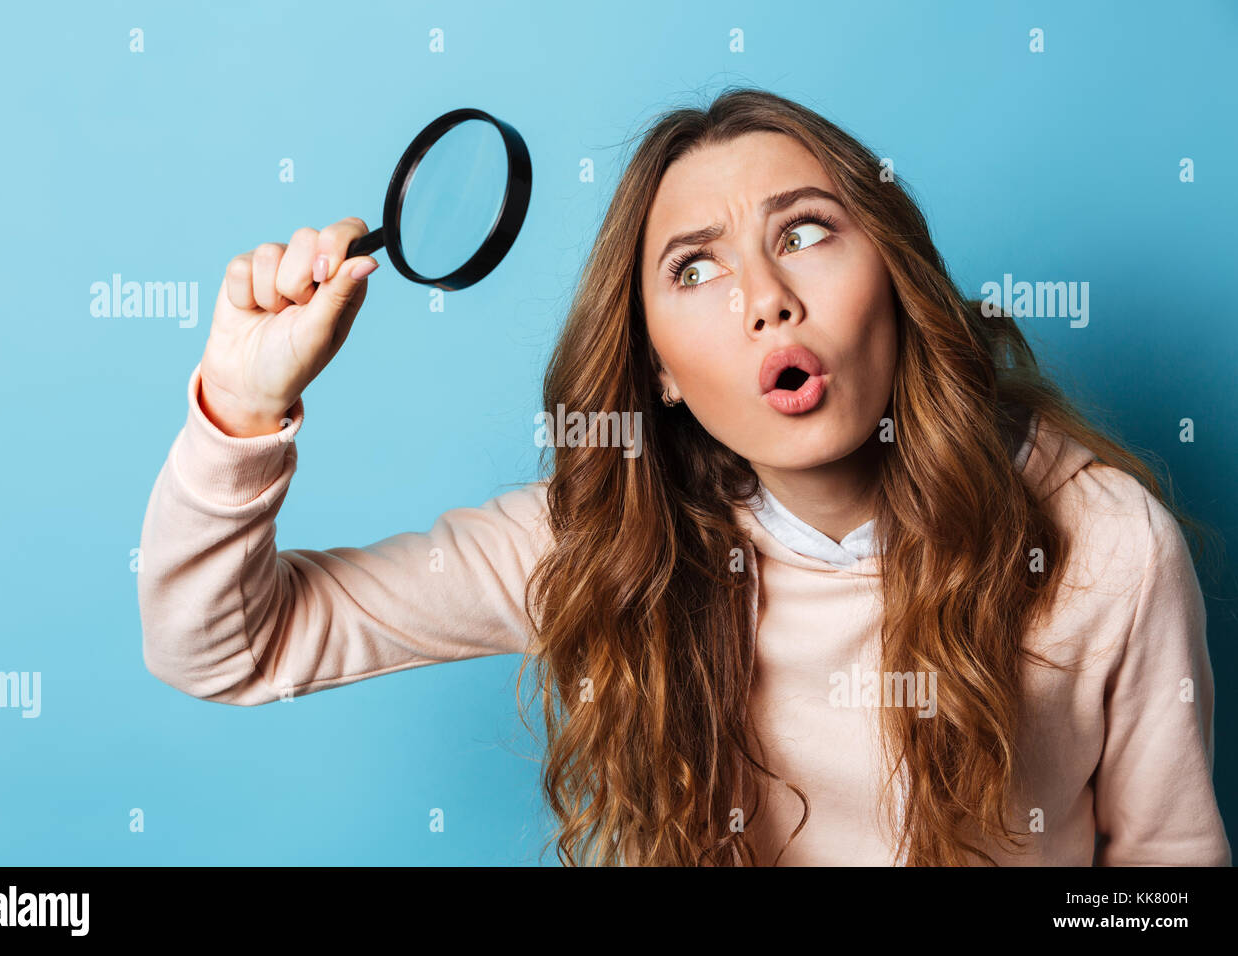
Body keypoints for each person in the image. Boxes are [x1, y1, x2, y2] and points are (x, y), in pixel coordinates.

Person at [137, 86, 1230, 867]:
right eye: (695, 267)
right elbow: (225, 644)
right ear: (658, 367)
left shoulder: (1104, 544)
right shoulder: (603, 543)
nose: (765, 298)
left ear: (895, 281)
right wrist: (240, 404)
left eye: (804, 233)